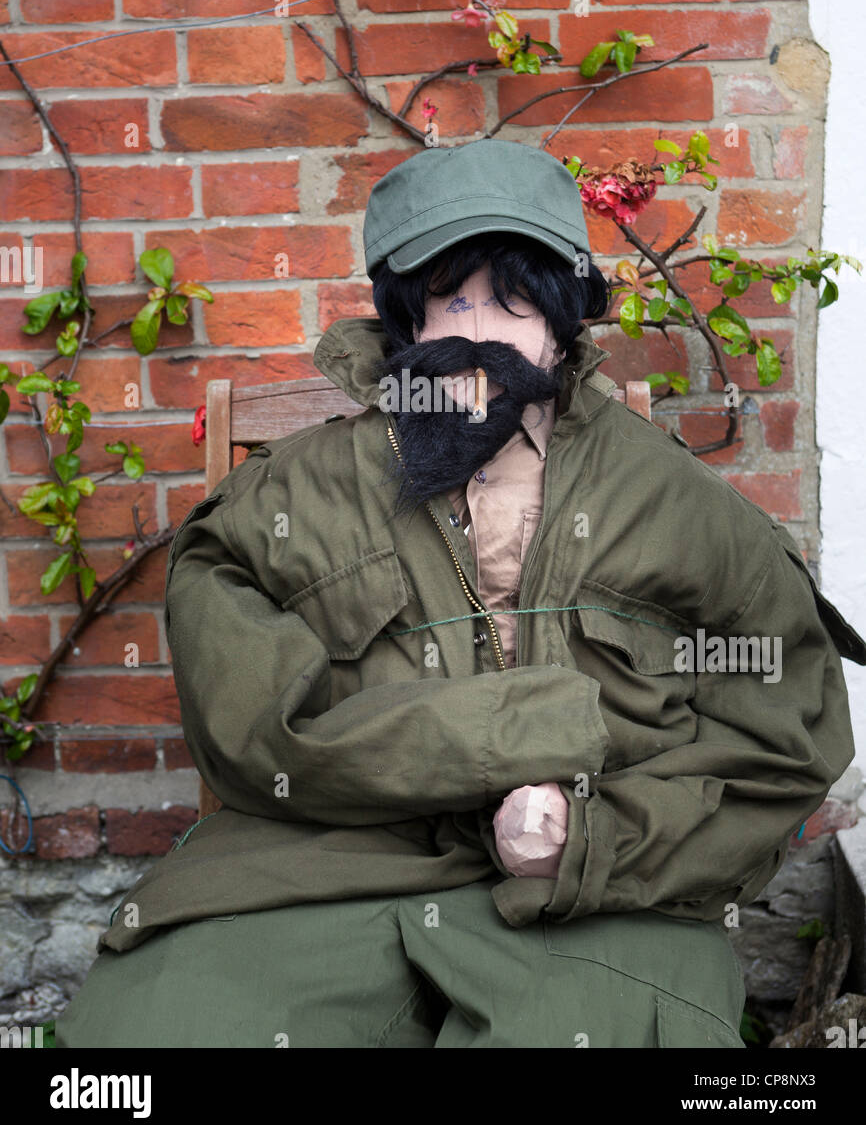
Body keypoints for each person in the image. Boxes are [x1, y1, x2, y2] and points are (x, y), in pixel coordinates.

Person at [57, 137, 865, 1049]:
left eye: (514, 300)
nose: (481, 329)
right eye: (451, 297)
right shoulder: (284, 500)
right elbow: (249, 729)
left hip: (592, 893)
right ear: (405, 323)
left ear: (563, 321)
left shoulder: (679, 507)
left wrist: (591, 835)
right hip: (321, 867)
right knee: (159, 1041)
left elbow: (784, 734)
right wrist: (507, 740)